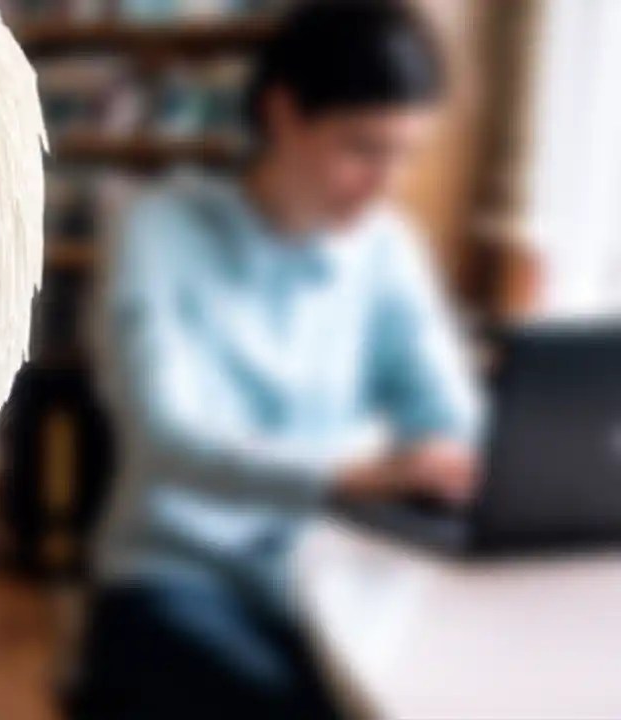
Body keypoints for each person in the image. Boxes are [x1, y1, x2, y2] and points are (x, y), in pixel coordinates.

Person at [75, 1, 483, 718]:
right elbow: (169, 440)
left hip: (339, 572)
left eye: (404, 154)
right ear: (282, 111)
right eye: (362, 148)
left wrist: (450, 455)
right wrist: (351, 473)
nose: (385, 183)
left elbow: (445, 410)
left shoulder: (386, 249)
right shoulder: (159, 229)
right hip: (176, 579)